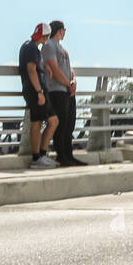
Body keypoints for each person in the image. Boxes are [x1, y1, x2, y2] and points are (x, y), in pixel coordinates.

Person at [42, 20, 84, 166]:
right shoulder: (49, 46)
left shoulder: (63, 49)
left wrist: (74, 81)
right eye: (64, 30)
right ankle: (61, 156)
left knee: (70, 124)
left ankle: (69, 155)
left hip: (67, 91)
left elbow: (70, 70)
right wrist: (68, 84)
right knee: (61, 124)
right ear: (59, 30)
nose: (65, 32)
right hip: (57, 91)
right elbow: (53, 69)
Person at [18, 23, 59, 168]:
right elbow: (31, 70)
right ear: (44, 36)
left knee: (53, 121)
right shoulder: (30, 47)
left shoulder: (33, 48)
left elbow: (35, 67)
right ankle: (37, 158)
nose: (46, 39)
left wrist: (45, 67)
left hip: (39, 90)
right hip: (35, 90)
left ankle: (42, 155)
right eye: (46, 36)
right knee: (37, 123)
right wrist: (39, 92)